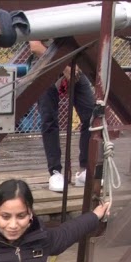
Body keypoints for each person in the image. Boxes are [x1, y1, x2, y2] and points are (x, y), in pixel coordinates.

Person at [28, 40, 98, 194]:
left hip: (75, 65)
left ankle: (85, 169)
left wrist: (76, 64)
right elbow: (35, 46)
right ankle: (55, 172)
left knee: (91, 114)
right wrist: (64, 67)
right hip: (46, 66)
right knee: (49, 119)